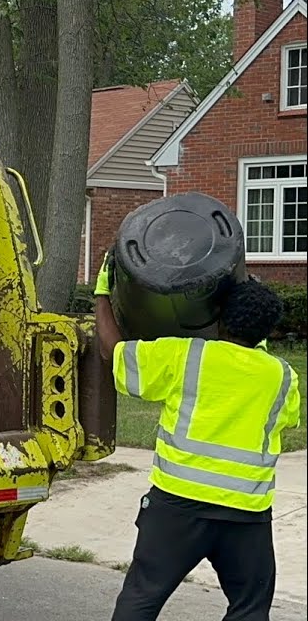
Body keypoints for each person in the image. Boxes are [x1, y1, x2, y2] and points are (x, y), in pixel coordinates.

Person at [94, 252, 301, 621]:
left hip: (177, 506)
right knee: (250, 608)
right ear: (266, 332)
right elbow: (284, 417)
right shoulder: (282, 377)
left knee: (142, 597)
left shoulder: (184, 356)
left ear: (218, 318)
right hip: (245, 516)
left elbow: (113, 352)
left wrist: (103, 293)